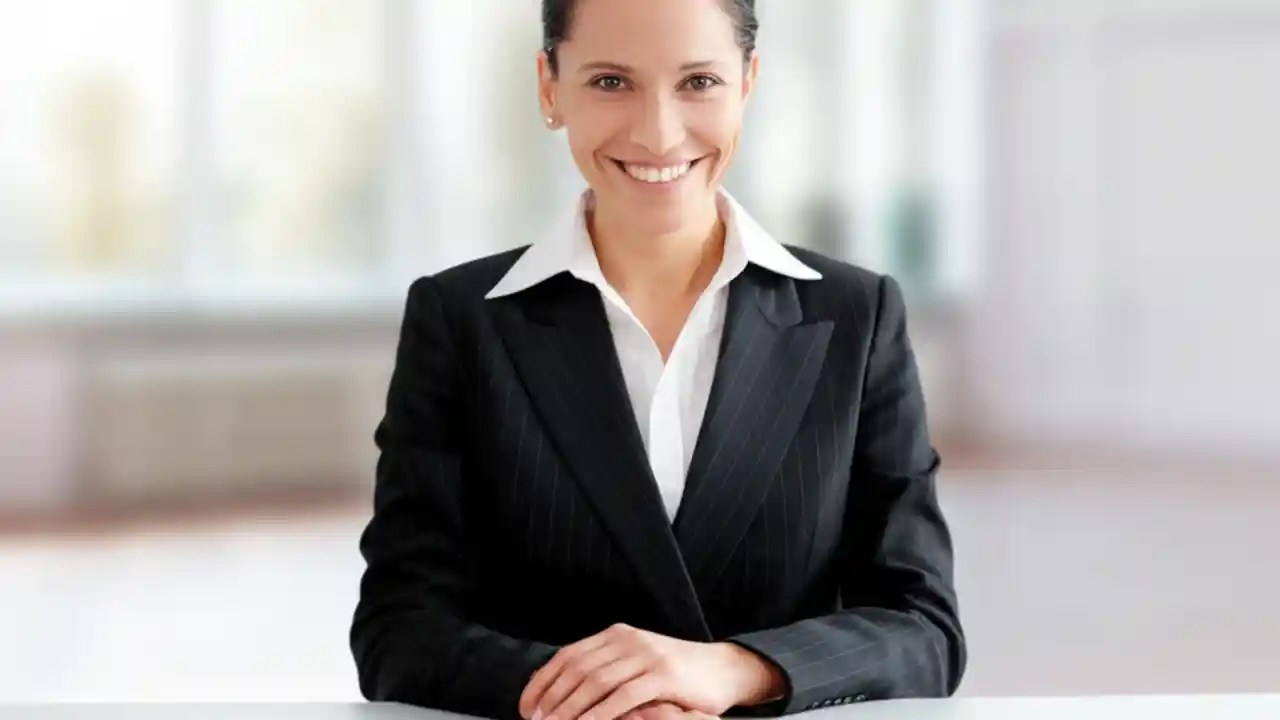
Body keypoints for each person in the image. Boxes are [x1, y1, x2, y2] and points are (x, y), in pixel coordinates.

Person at [349, 0, 965, 718]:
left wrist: (739, 670)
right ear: (550, 87)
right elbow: (400, 629)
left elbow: (923, 627)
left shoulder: (855, 318)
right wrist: (616, 701)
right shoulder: (459, 320)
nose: (658, 132)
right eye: (611, 82)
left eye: (698, 81)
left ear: (748, 84)